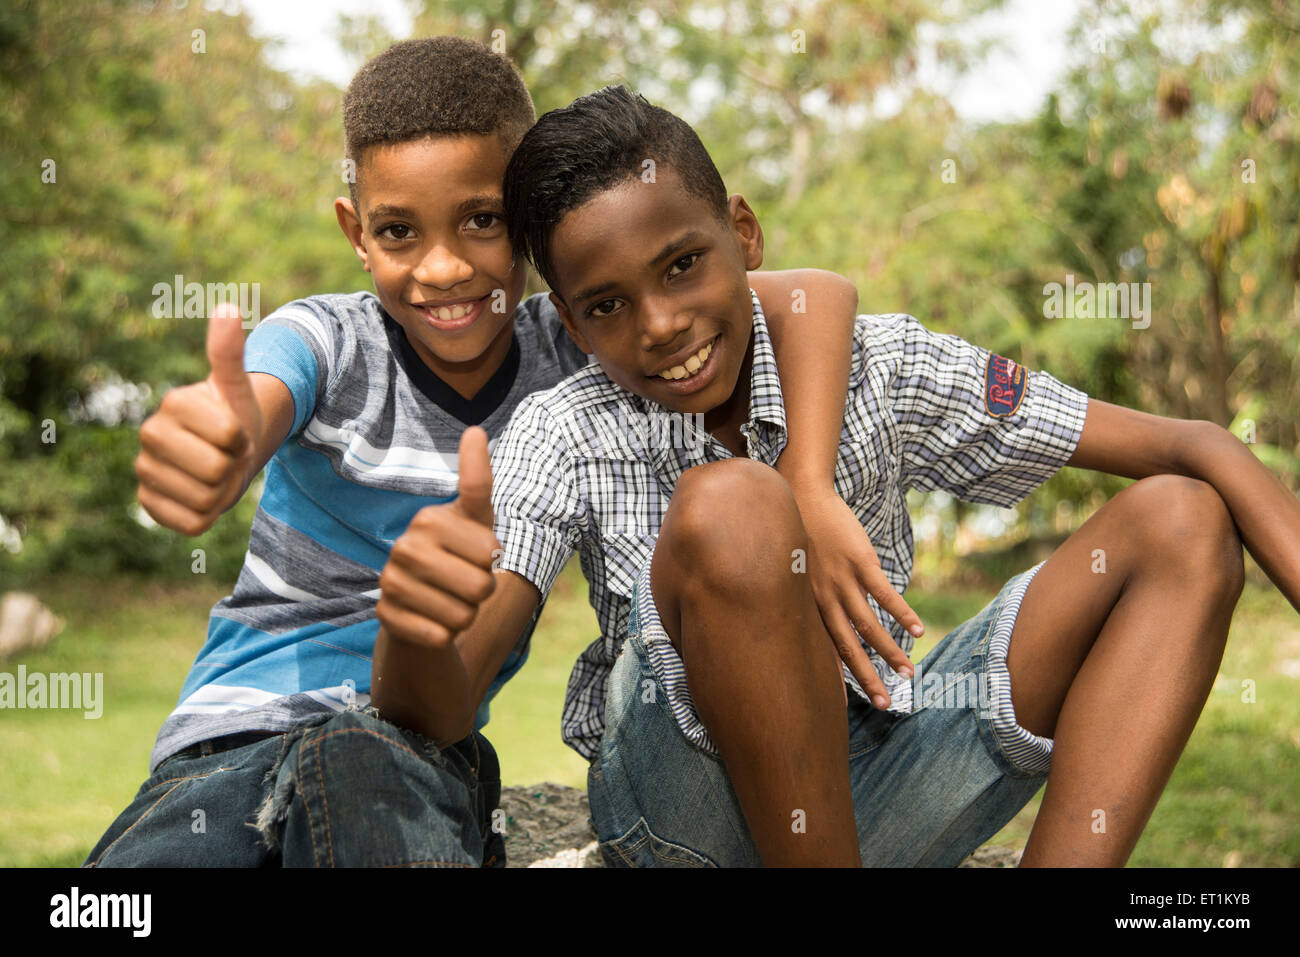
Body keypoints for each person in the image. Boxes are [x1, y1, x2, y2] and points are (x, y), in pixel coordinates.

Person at [377, 84, 1300, 867]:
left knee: (1184, 519)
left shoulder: (876, 368)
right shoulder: (566, 431)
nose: (657, 325)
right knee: (735, 504)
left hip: (878, 783)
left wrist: (811, 482)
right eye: (609, 305)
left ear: (745, 234)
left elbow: (1201, 446)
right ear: (572, 328)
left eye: (684, 265)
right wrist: (414, 631)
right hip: (683, 818)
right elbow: (448, 694)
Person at [85, 40, 873, 868]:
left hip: (411, 753)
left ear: (531, 228)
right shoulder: (333, 338)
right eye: (398, 231)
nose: (444, 267)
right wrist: (226, 437)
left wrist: (808, 484)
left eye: (482, 220)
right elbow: (261, 393)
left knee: (375, 774)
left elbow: (806, 294)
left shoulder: (580, 340)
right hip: (227, 746)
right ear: (357, 233)